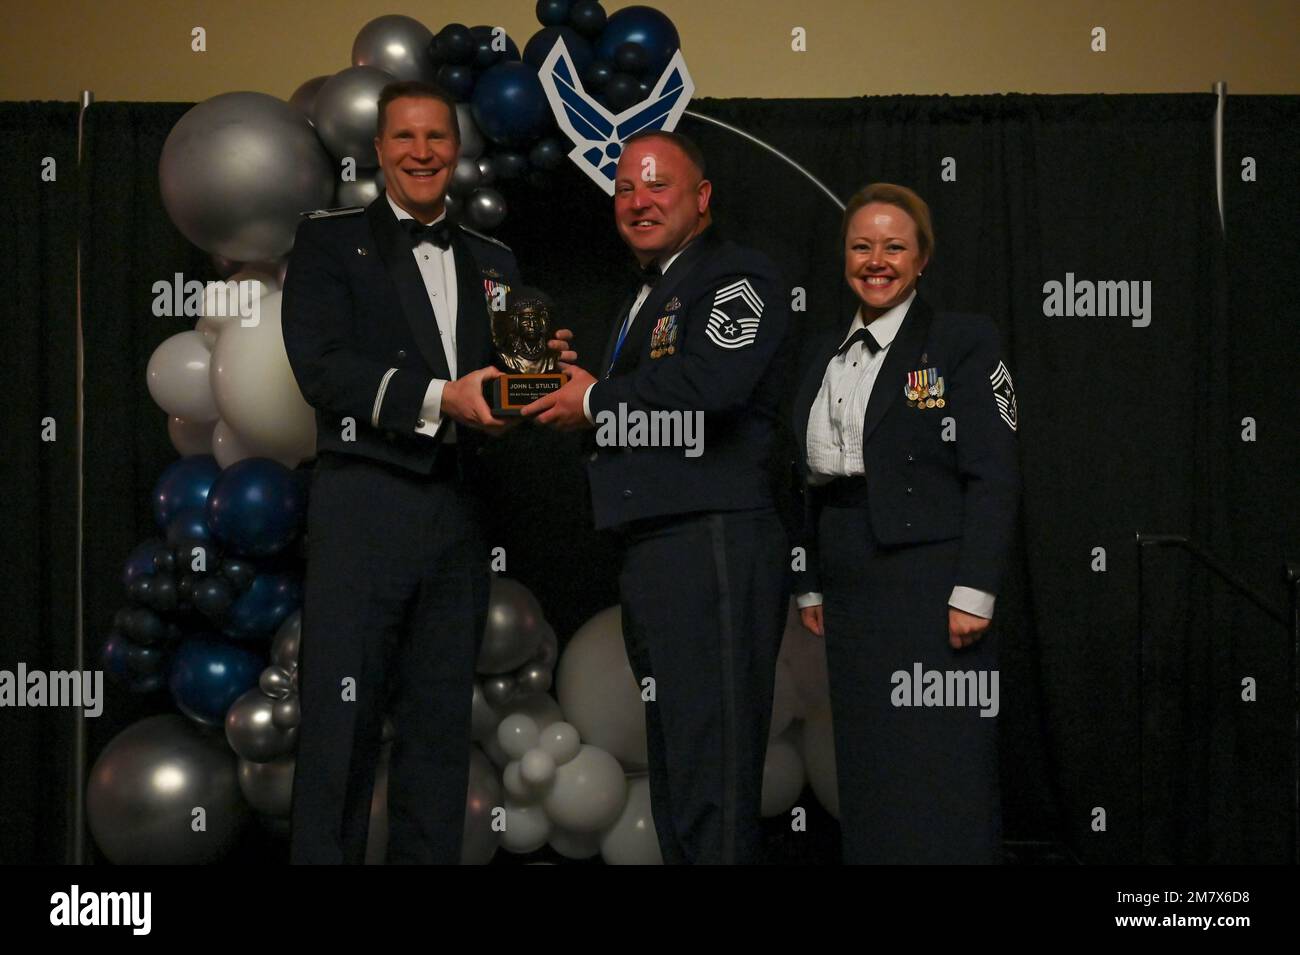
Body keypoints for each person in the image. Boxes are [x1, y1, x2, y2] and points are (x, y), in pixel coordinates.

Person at [281, 80, 574, 864]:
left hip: (457, 510)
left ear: (457, 150)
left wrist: (542, 379)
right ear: (378, 150)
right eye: (404, 137)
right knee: (339, 725)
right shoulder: (327, 240)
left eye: (437, 138)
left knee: (440, 724)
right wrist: (444, 396)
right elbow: (322, 368)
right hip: (361, 505)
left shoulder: (495, 258)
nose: (421, 152)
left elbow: (507, 385)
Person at [524, 130, 791, 864]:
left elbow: (709, 392)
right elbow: (634, 417)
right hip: (656, 544)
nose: (638, 201)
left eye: (657, 186)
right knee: (679, 754)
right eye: (624, 190)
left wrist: (598, 399)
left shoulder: (738, 275)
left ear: (701, 199)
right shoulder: (646, 295)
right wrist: (572, 397)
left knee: (716, 762)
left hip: (712, 540)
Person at [792, 183, 1019, 864]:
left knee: (942, 756)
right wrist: (807, 581)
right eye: (862, 246)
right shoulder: (822, 352)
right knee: (869, 757)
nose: (876, 259)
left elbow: (994, 471)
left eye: (894, 246)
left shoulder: (961, 340)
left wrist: (975, 588)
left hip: (933, 579)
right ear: (845, 259)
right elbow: (800, 477)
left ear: (922, 259)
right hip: (850, 575)